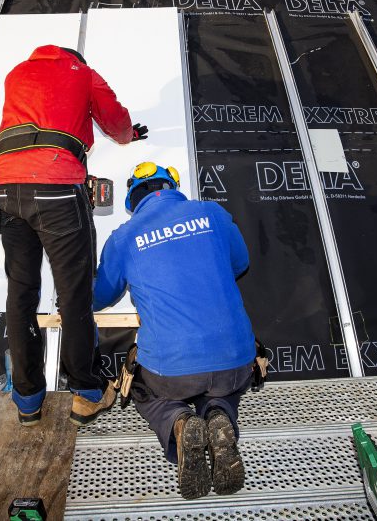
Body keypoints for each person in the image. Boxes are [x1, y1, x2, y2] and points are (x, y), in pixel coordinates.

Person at [0, 45, 146, 428]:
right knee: (74, 293)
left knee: (21, 293)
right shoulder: (82, 73)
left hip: (6, 187)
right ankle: (87, 392)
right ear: (74, 57)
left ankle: (27, 399)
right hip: (57, 189)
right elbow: (115, 121)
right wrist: (128, 137)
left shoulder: (16, 73)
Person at [92, 162, 256, 500]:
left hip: (172, 370)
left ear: (133, 200)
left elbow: (99, 296)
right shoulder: (212, 213)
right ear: (172, 187)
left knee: (140, 384)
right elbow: (240, 263)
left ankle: (179, 422)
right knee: (223, 381)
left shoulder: (124, 236)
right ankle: (218, 414)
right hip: (237, 360)